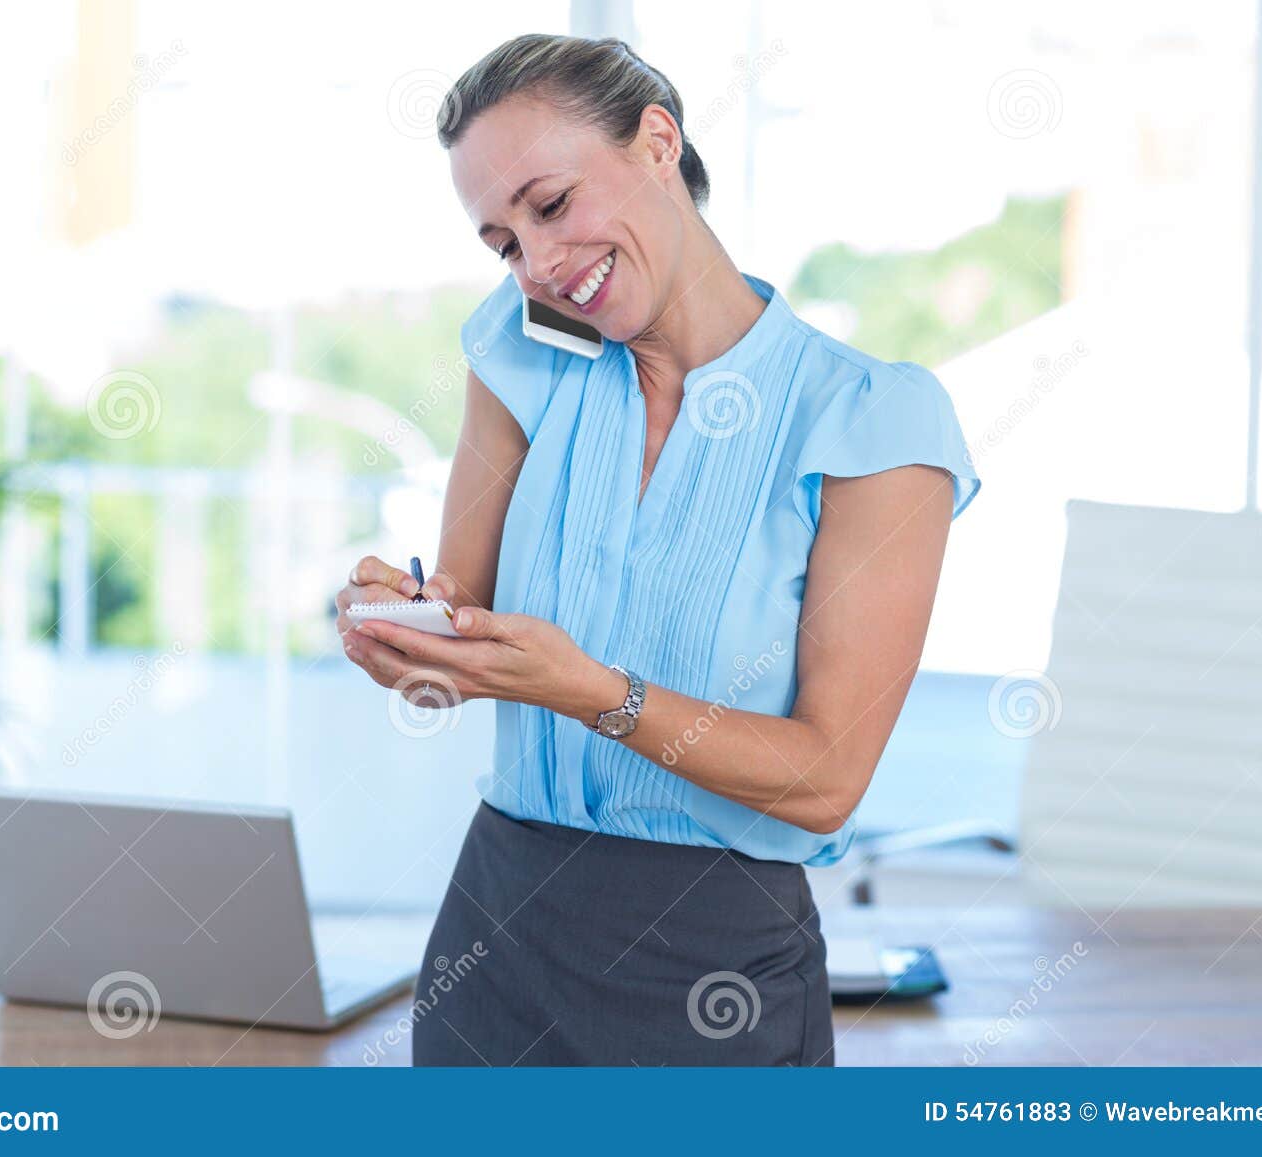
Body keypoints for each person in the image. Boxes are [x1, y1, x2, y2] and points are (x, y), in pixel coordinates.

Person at [336, 33, 981, 1066]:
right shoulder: (521, 352)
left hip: (711, 964)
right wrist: (406, 634)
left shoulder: (870, 419)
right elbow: (462, 637)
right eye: (504, 243)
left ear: (657, 143)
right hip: (494, 936)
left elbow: (826, 778)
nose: (540, 265)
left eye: (552, 205)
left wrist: (590, 690)